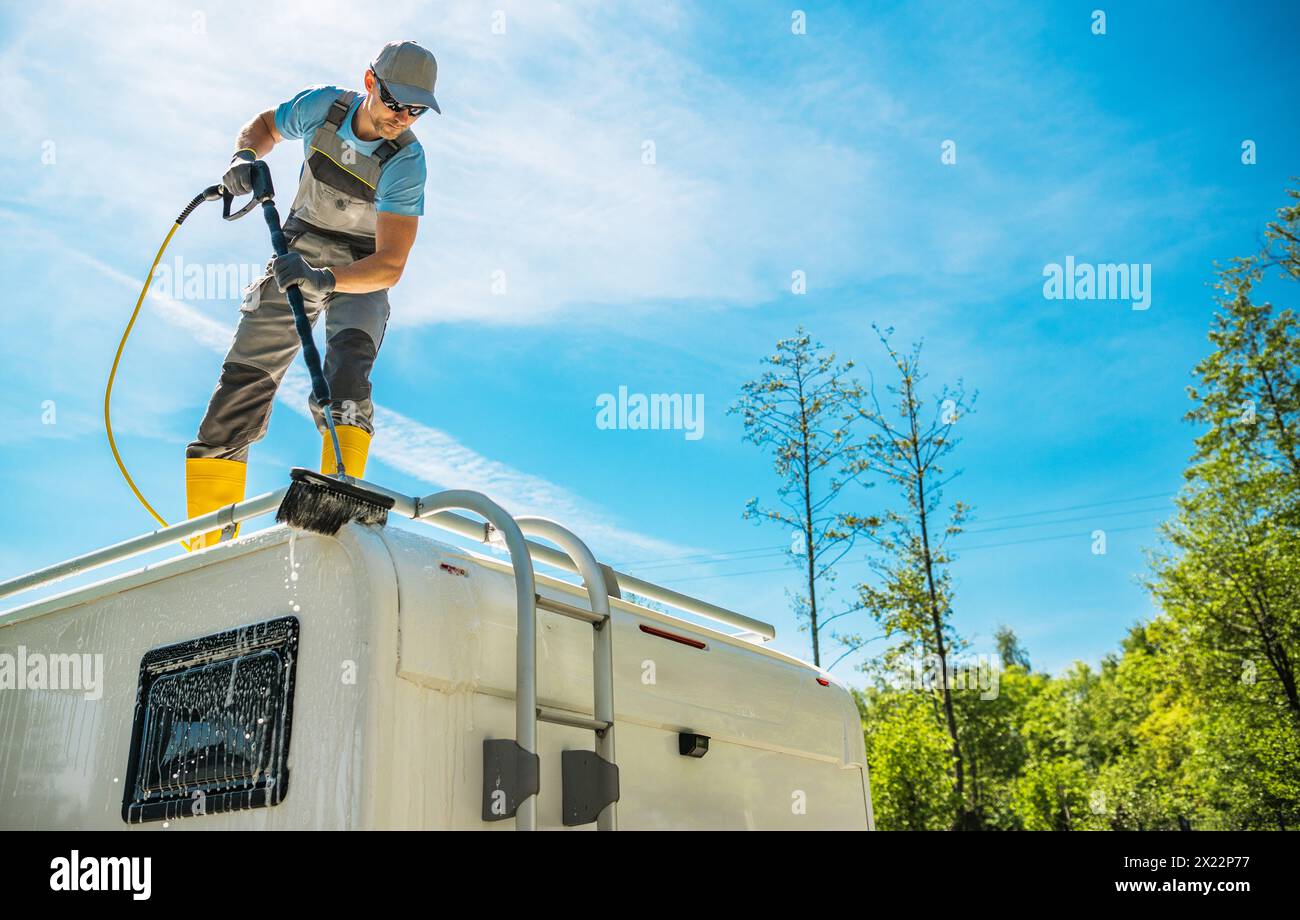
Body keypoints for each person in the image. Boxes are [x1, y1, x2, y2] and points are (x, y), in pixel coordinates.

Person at [185, 40, 438, 548]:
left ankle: (336, 512)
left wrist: (326, 278)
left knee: (347, 372)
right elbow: (264, 126)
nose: (402, 118)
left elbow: (390, 263)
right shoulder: (323, 108)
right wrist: (243, 155)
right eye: (395, 103)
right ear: (371, 84)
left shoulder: (406, 163)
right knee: (243, 383)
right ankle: (205, 541)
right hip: (297, 249)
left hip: (359, 269)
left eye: (416, 110)